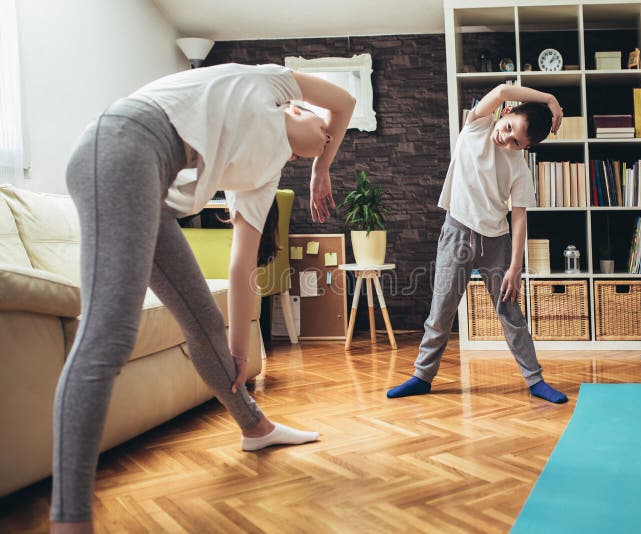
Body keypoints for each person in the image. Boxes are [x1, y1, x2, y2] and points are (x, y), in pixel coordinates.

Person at [51, 63, 355, 532]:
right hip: (122, 144)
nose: (325, 138)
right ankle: (70, 520)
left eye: (327, 143)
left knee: (204, 322)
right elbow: (344, 104)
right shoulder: (272, 83)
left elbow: (242, 264)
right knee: (110, 334)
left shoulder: (266, 172)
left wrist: (238, 349)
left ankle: (255, 428)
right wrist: (323, 167)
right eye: (324, 133)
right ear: (296, 108)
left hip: (151, 189)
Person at [387, 84, 568, 404]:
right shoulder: (476, 126)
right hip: (457, 232)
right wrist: (550, 99)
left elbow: (519, 218)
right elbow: (501, 90)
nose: (506, 139)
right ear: (506, 113)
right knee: (441, 311)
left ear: (524, 148)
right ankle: (422, 376)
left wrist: (515, 268)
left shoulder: (519, 168)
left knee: (511, 314)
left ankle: (535, 380)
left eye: (517, 142)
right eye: (508, 128)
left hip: (495, 243)